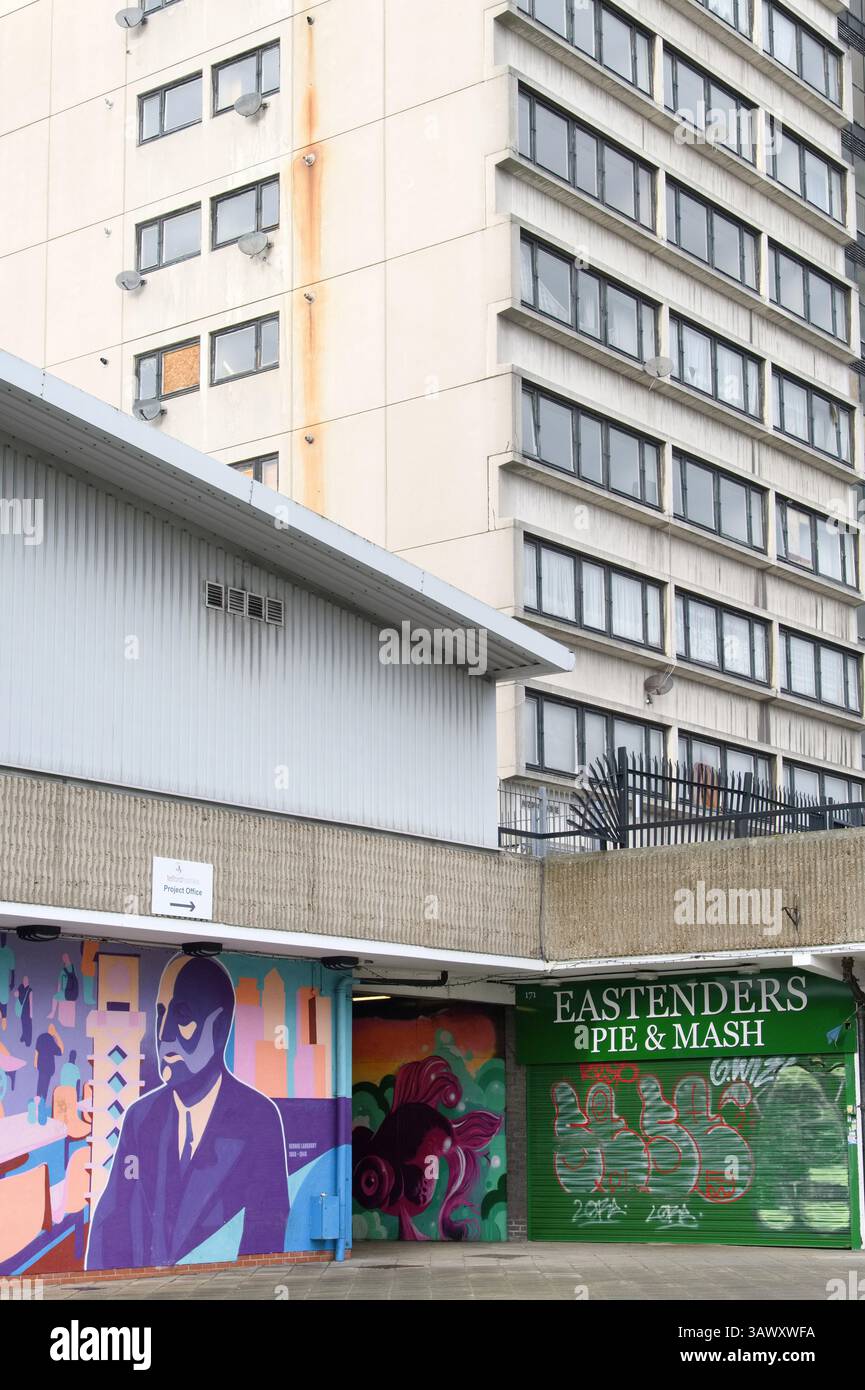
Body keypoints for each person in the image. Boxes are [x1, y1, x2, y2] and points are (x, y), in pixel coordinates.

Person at [86, 953, 289, 1271]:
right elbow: (111, 1220)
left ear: (220, 1028)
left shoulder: (259, 1119)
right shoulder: (140, 1117)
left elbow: (267, 1230)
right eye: (160, 1013)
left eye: (182, 1015)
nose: (164, 1034)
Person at [34, 1024, 64, 1124]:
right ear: (52, 1030)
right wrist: (56, 1035)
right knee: (44, 1090)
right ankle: (40, 1113)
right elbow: (61, 1051)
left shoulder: (41, 1037)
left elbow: (36, 1051)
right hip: (48, 1068)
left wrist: (35, 1062)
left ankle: (37, 1110)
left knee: (40, 1088)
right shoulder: (51, 1039)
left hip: (41, 1066)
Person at [0, 932, 14, 1030]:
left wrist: (12, 982)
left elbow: (13, 969)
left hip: (4, 981)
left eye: (3, 938)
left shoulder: (9, 952)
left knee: (4, 1001)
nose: (2, 941)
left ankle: (4, 1018)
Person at [16, 975, 32, 1047]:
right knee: (23, 1023)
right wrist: (16, 993)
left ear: (28, 981)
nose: (24, 981)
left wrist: (31, 1013)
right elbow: (16, 993)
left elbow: (31, 1002)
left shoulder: (30, 990)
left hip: (27, 1010)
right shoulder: (20, 987)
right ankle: (24, 1036)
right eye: (23, 979)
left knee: (28, 1025)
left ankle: (28, 1041)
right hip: (21, 1009)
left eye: (26, 979)